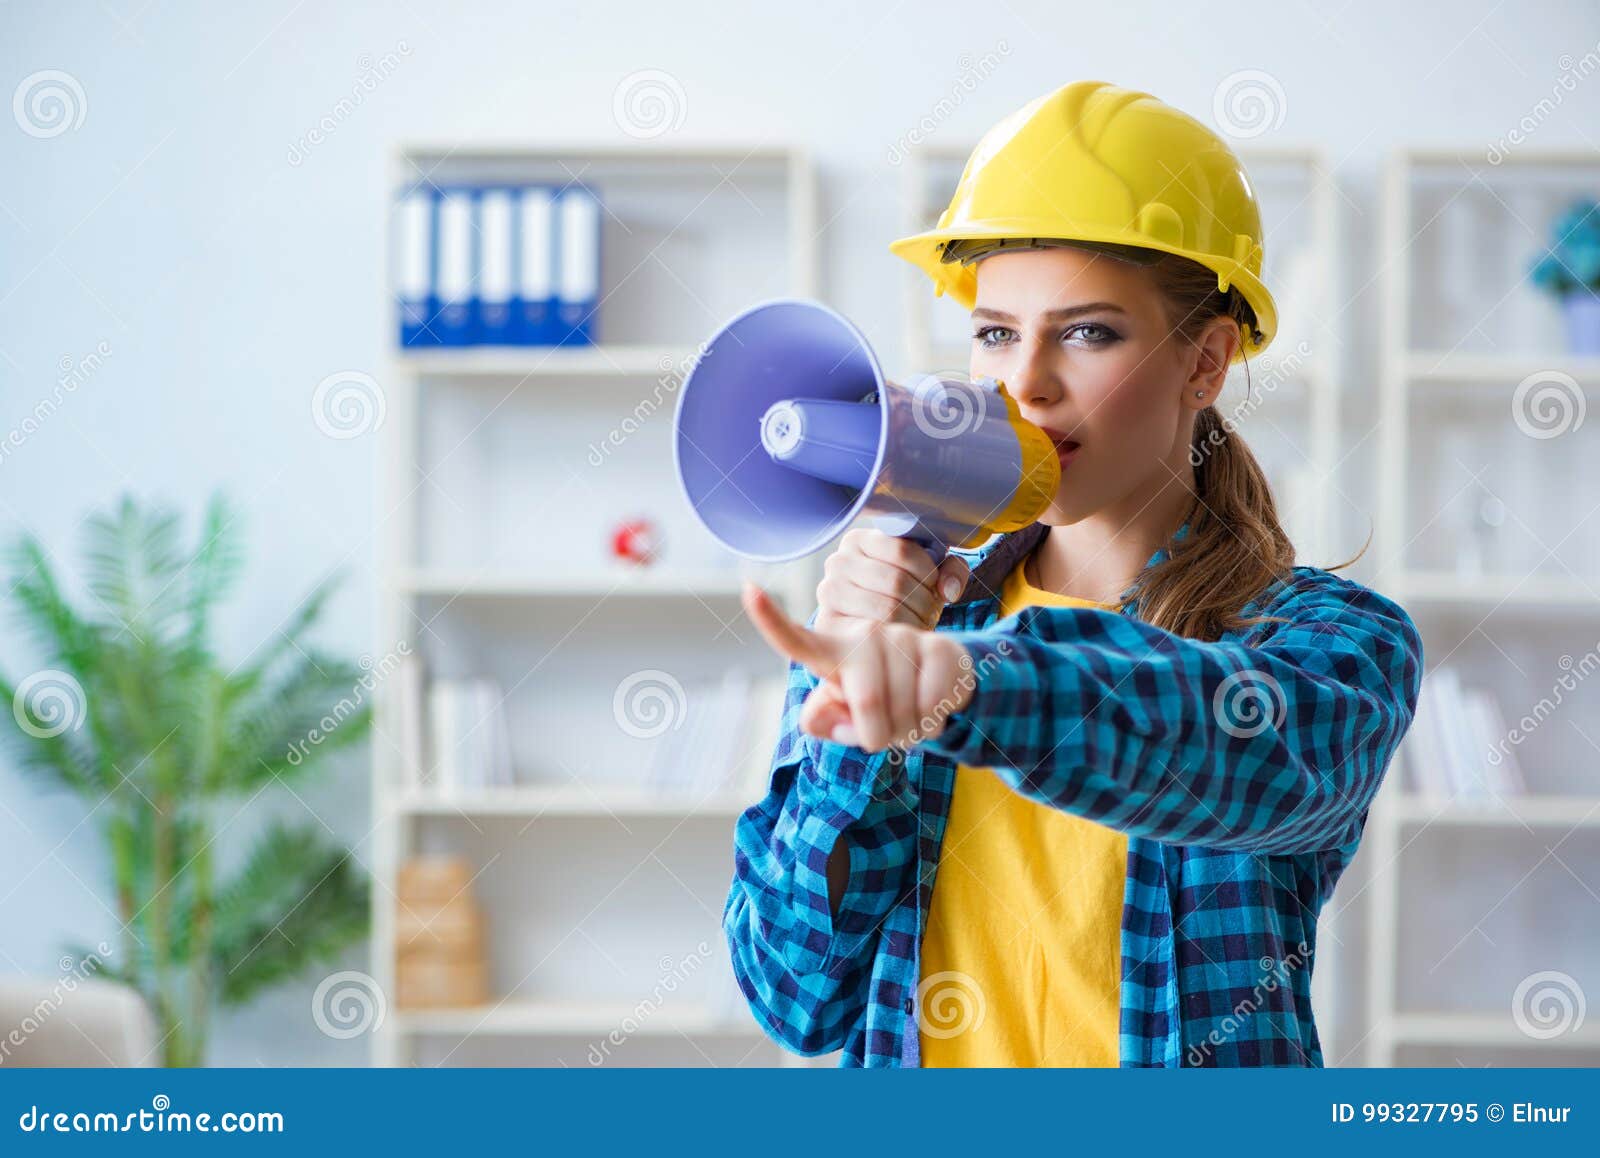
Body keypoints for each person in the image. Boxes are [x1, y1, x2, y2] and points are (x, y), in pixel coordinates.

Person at [723, 79, 1423, 1067]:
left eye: (1088, 331)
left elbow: (1239, 758)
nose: (1025, 383)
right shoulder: (903, 625)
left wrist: (966, 684)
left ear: (1205, 362)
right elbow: (795, 999)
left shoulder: (1331, 642)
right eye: (996, 333)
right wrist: (859, 714)